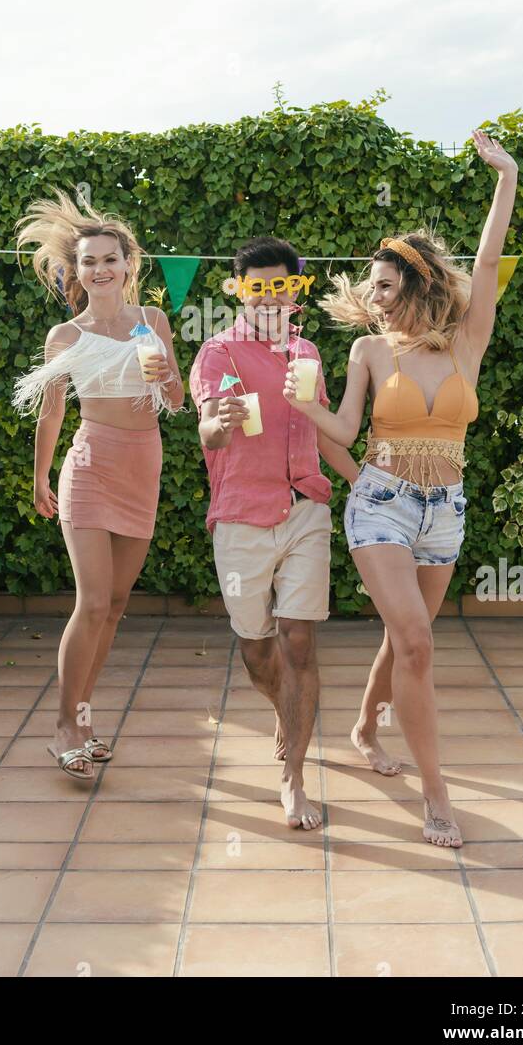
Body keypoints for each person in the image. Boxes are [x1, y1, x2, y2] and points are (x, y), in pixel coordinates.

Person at [283, 130, 518, 847]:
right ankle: (437, 795)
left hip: (446, 509)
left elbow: (483, 261)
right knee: (417, 643)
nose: (373, 296)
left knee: (404, 638)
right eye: (371, 286)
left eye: (384, 284)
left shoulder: (465, 343)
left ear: (415, 284)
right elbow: (344, 430)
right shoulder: (366, 350)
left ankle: (363, 726)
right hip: (381, 504)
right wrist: (299, 406)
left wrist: (505, 176)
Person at [11, 187, 185, 782]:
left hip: (144, 464)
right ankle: (63, 725)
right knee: (90, 601)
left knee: (114, 606)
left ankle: (85, 718)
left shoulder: (153, 322)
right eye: (90, 261)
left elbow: (177, 401)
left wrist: (163, 376)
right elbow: (52, 413)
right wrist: (39, 475)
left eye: (111, 259)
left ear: (129, 264)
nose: (101, 269)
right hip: (88, 466)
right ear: (76, 270)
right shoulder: (65, 335)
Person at [189, 237, 361, 830]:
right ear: (239, 289)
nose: (269, 294)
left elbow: (326, 431)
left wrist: (366, 486)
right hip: (239, 517)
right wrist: (222, 420)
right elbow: (208, 432)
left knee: (299, 642)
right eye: (256, 285)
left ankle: (294, 776)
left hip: (305, 509)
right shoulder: (218, 353)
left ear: (295, 288)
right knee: (257, 647)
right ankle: (290, 714)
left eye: (280, 284)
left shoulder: (307, 349)